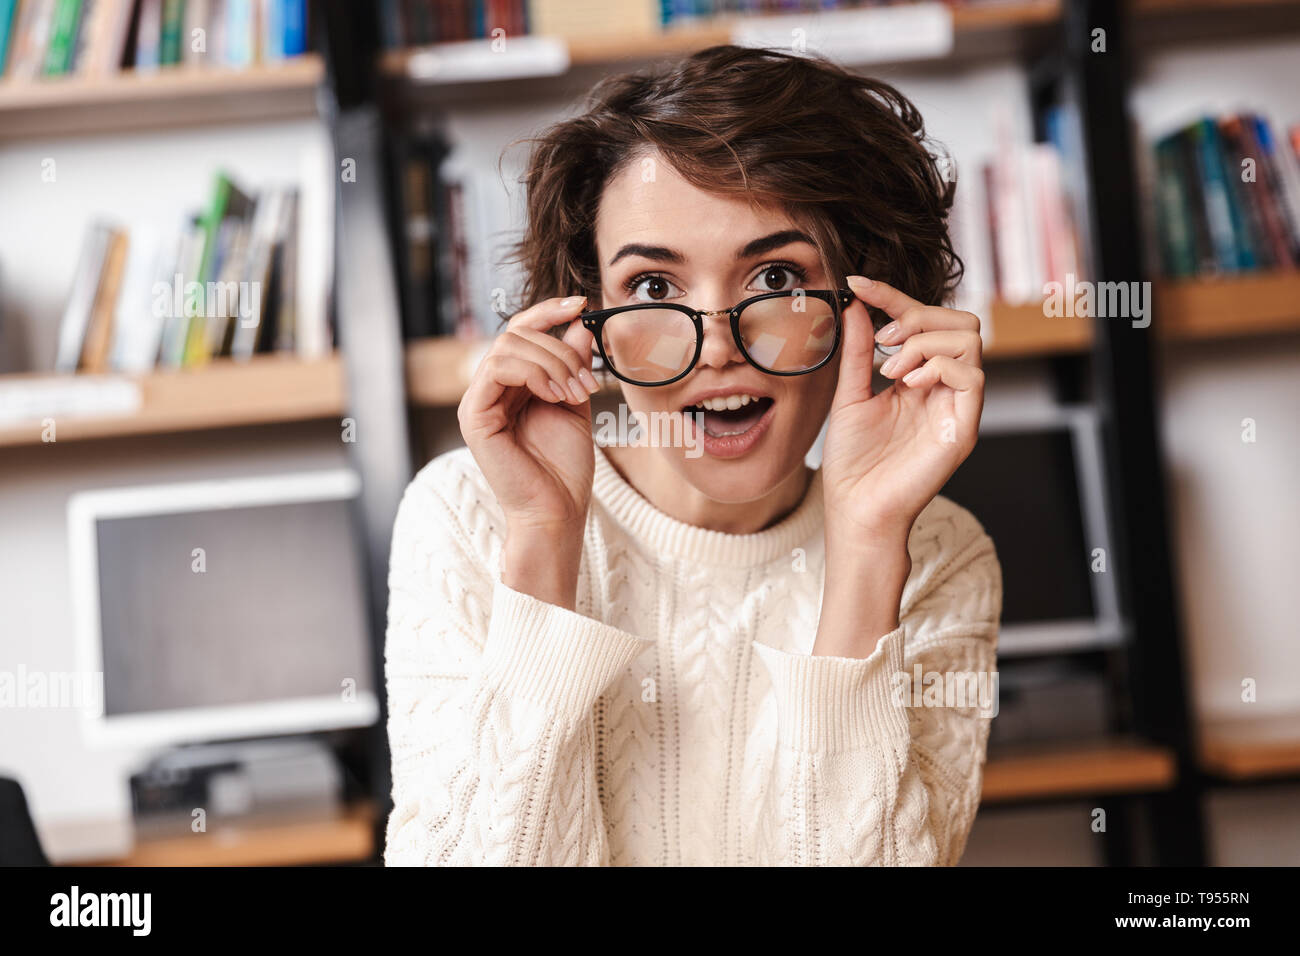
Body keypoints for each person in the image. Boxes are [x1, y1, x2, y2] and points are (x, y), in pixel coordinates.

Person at [384, 44, 1001, 866]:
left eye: (776, 278)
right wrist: (542, 542)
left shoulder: (936, 554)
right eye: (652, 289)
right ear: (587, 316)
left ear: (869, 301)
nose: (715, 347)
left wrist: (863, 548)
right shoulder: (467, 514)